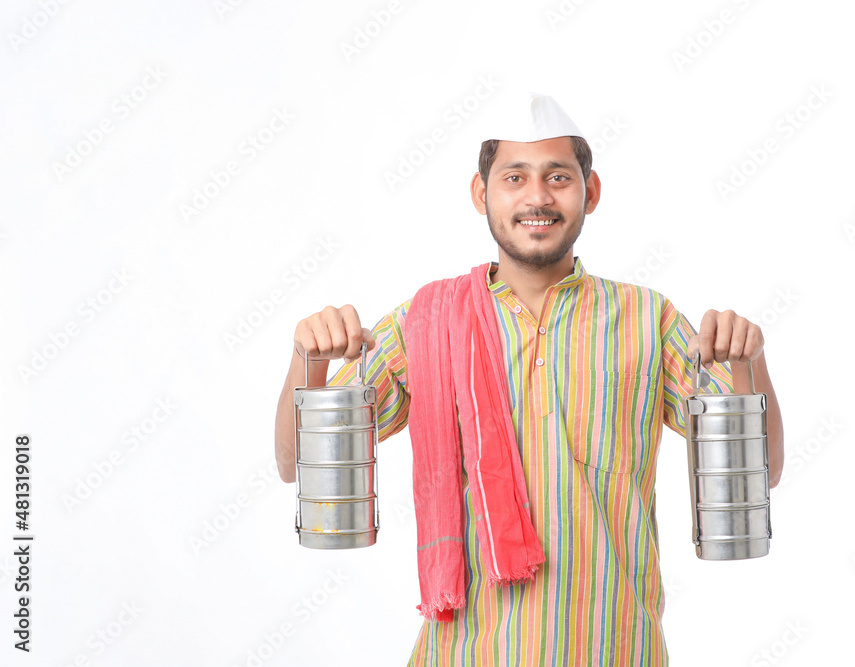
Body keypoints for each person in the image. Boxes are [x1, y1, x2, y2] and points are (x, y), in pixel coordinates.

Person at [273, 92, 784, 666]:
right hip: (465, 654)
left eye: (558, 177)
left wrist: (750, 363)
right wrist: (307, 362)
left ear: (590, 193)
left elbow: (762, 472)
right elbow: (298, 467)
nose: (537, 197)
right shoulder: (429, 321)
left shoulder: (649, 319)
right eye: (514, 177)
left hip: (613, 649)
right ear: (480, 193)